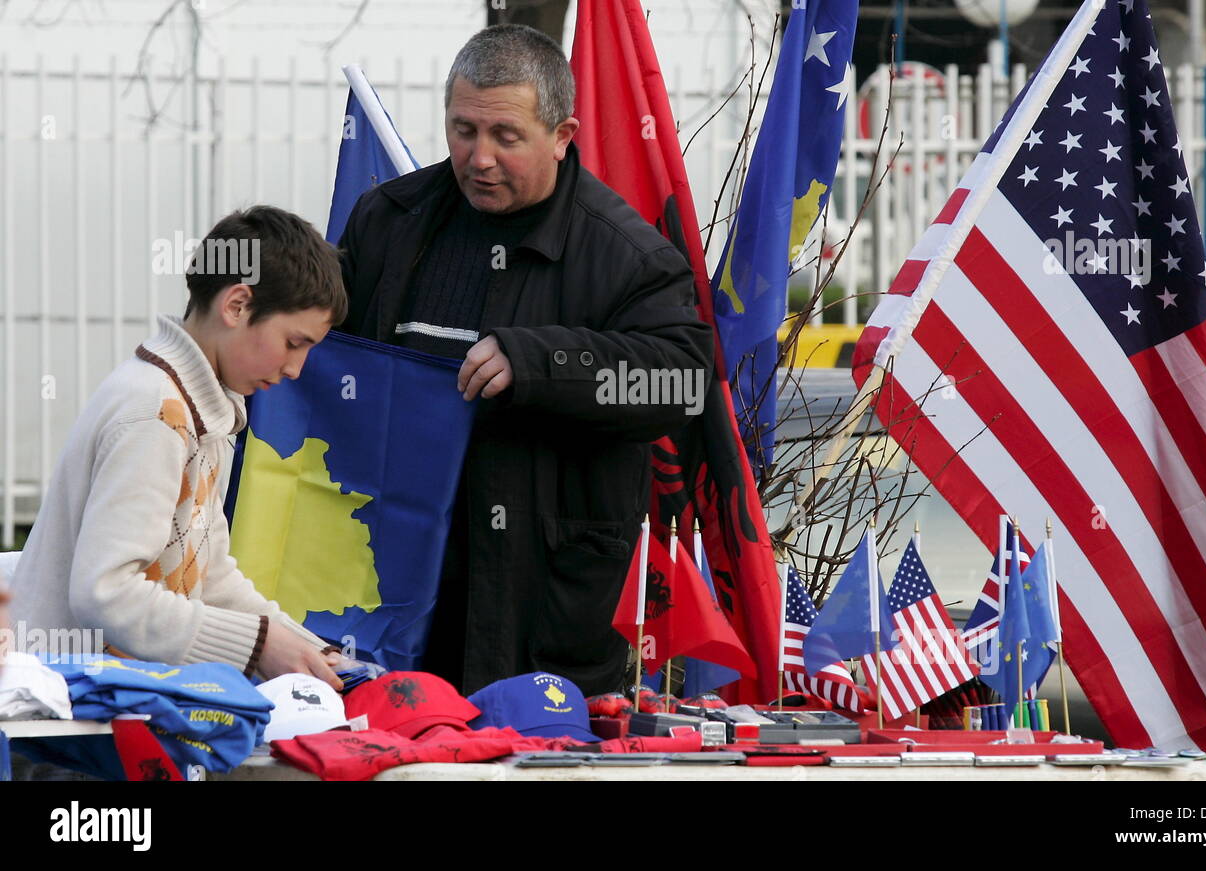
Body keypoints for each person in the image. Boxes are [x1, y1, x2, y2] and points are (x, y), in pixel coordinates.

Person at [336, 24, 713, 696]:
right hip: (387, 591)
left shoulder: (628, 255)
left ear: (564, 135)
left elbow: (682, 380)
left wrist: (540, 361)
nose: (478, 157)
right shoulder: (386, 221)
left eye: (505, 137)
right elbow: (316, 339)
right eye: (462, 130)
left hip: (544, 616)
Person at [9, 206, 346, 690]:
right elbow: (107, 593)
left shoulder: (200, 408)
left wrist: (314, 655)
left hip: (101, 709)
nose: (297, 368)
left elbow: (209, 577)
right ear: (236, 305)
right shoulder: (155, 412)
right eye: (294, 342)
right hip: (63, 724)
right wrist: (258, 646)